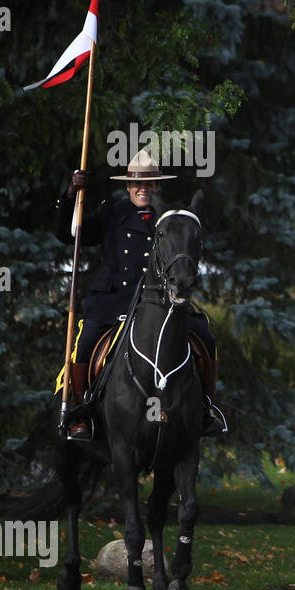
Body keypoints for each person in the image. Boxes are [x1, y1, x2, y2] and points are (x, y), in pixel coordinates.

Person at [56, 149, 226, 441]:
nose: (142, 189)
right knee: (84, 345)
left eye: (148, 183)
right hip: (114, 299)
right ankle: (82, 411)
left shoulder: (169, 216)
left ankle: (207, 408)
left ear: (157, 185)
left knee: (205, 338)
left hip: (159, 302)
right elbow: (68, 234)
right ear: (127, 186)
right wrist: (72, 192)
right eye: (136, 183)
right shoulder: (112, 212)